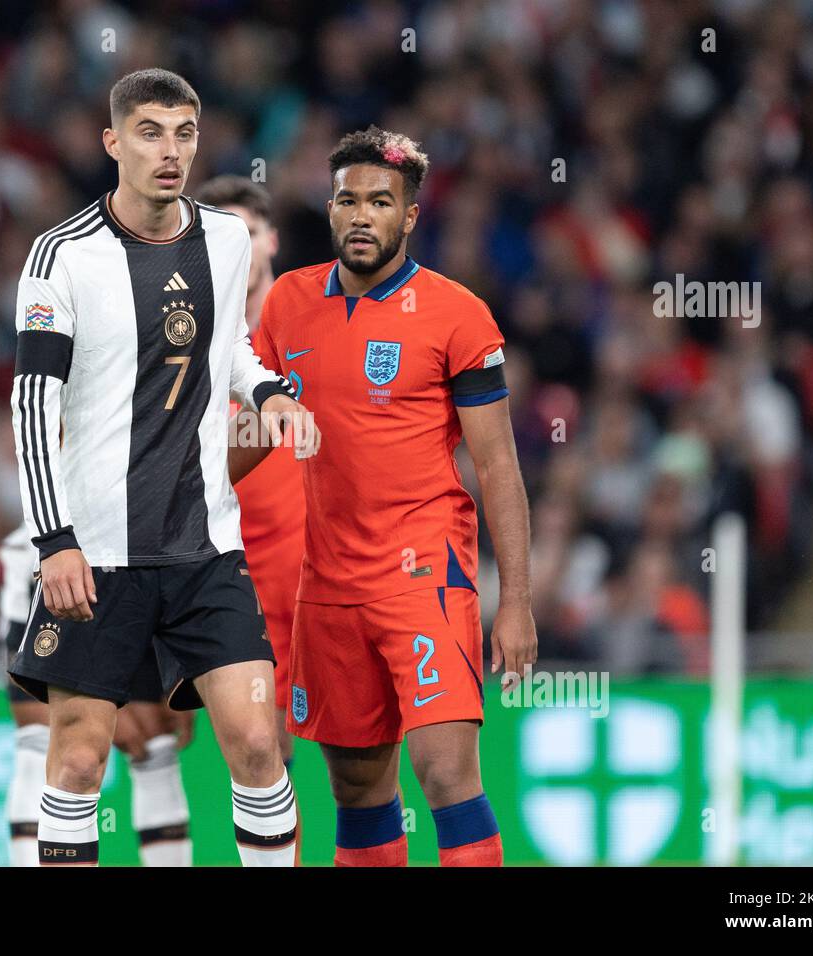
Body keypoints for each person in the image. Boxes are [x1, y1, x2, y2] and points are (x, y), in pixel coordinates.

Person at [5, 68, 318, 867]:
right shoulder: (60, 256)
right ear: (113, 143)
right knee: (77, 759)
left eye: (184, 133)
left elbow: (231, 347)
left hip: (205, 547)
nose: (169, 151)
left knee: (256, 742)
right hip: (98, 554)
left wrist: (273, 391)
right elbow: (32, 403)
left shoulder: (226, 238)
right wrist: (54, 540)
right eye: (149, 132)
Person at [235, 126, 538, 866]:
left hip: (423, 576)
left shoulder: (456, 314)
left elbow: (498, 466)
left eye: (380, 201)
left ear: (409, 216)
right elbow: (248, 440)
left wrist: (519, 603)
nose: (361, 215)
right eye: (347, 200)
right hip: (328, 584)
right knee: (359, 791)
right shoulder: (287, 307)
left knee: (444, 772)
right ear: (330, 210)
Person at [0, 524, 193, 866]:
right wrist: (98, 704)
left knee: (154, 740)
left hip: (149, 558)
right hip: (54, 563)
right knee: (46, 739)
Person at [198, 176, 304, 769]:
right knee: (262, 750)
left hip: (317, 572)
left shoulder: (312, 331)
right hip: (227, 575)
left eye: (249, 231)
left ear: (272, 241)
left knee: (361, 757)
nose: (237, 245)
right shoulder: (188, 343)